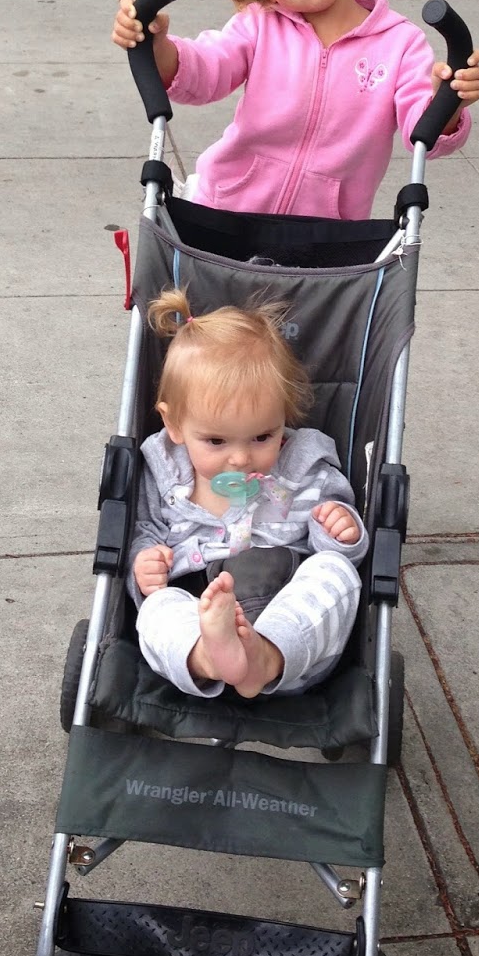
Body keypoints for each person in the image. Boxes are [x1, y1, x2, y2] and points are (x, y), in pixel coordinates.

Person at [111, 0, 479, 219]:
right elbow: (205, 69)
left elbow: (424, 134)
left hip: (326, 237)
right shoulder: (260, 26)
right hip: (225, 215)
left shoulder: (400, 44)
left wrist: (447, 101)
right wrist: (156, 42)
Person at [129, 288, 368, 700]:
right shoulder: (168, 476)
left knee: (334, 573)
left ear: (284, 419)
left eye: (262, 436)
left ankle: (264, 657)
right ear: (175, 425)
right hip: (197, 605)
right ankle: (209, 656)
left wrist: (340, 532)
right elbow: (146, 530)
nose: (241, 459)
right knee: (159, 608)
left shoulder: (300, 470)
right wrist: (145, 562)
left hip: (288, 619)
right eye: (217, 441)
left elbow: (337, 540)